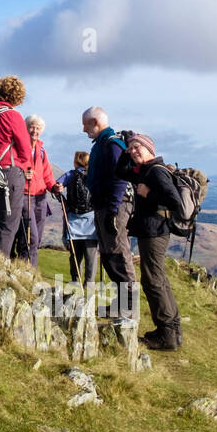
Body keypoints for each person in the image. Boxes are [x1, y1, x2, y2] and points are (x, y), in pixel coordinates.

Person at [117, 134, 183, 351]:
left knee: (153, 281)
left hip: (155, 232)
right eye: (131, 148)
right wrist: (126, 151)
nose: (134, 151)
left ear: (149, 149)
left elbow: (175, 202)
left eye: (137, 147)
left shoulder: (155, 172)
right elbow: (120, 172)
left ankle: (166, 335)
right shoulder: (144, 170)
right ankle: (172, 330)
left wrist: (149, 194)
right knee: (158, 279)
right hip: (151, 231)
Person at [82, 105, 138, 323]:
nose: (84, 130)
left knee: (119, 255)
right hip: (105, 206)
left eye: (85, 125)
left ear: (95, 122)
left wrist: (113, 212)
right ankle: (120, 306)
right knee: (109, 255)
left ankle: (129, 309)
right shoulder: (102, 143)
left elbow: (120, 180)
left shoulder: (112, 144)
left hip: (114, 206)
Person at [0, 76, 33, 258]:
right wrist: (27, 167)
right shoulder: (12, 115)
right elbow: (25, 149)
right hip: (7, 173)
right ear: (17, 96)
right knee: (7, 225)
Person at [16, 114, 57, 267]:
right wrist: (22, 174)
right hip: (24, 196)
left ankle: (28, 270)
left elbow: (47, 174)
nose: (34, 130)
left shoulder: (41, 151)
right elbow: (12, 168)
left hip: (41, 198)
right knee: (30, 237)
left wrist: (54, 187)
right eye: (31, 127)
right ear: (25, 129)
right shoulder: (19, 148)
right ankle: (25, 269)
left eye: (38, 128)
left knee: (37, 239)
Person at [56, 151, 99, 284]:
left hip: (73, 218)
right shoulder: (95, 175)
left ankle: (76, 280)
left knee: (75, 254)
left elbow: (56, 186)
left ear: (76, 162)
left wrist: (62, 198)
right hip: (91, 219)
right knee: (91, 255)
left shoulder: (70, 175)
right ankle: (89, 283)